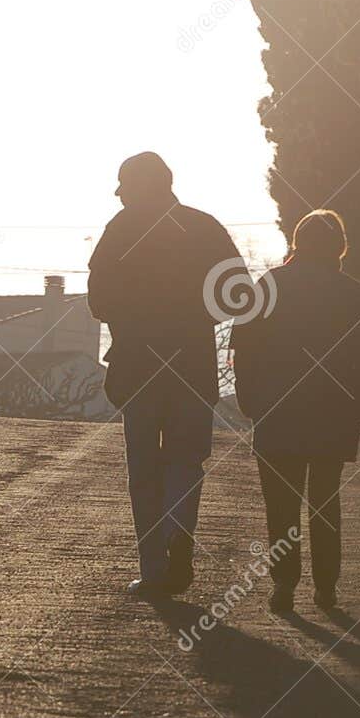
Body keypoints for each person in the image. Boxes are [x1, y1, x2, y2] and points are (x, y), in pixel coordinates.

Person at [88, 152, 241, 598]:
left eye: (124, 184)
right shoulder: (205, 226)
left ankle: (154, 569)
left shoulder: (121, 230)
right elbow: (238, 296)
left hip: (137, 368)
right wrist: (193, 313)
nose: (118, 194)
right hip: (192, 366)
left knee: (144, 469)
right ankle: (178, 532)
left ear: (144, 185)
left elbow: (97, 300)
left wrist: (133, 314)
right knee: (186, 461)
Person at [231, 210, 360, 614]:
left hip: (277, 411)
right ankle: (326, 589)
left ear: (297, 243)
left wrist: (251, 402)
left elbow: (242, 348)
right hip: (331, 414)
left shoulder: (270, 285)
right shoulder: (354, 293)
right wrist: (359, 406)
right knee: (324, 500)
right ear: (339, 246)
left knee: (281, 502)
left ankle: (284, 585)